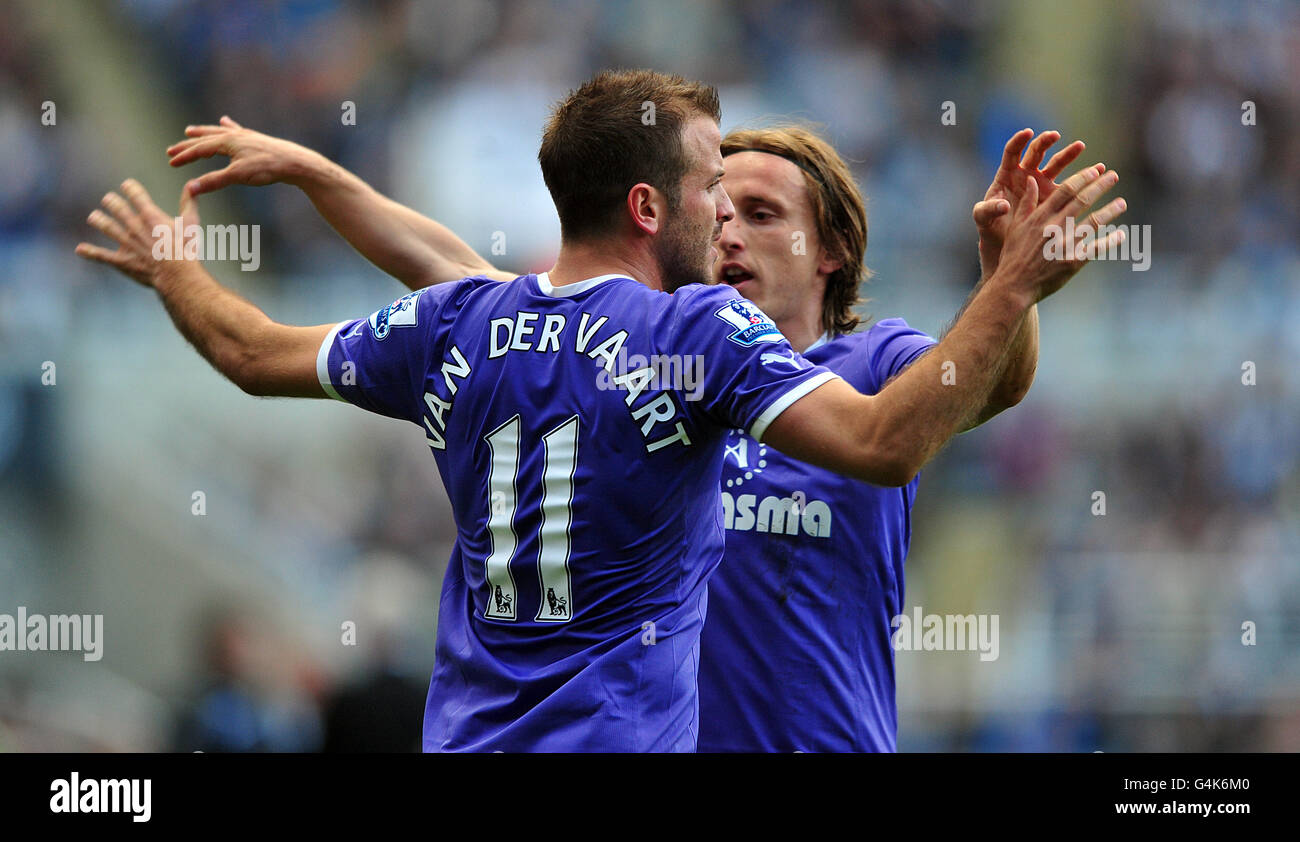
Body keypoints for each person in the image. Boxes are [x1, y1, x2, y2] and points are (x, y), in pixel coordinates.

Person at [79, 69, 1124, 751]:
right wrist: (1013, 284)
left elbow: (981, 381)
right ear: (650, 208)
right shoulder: (692, 343)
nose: (726, 223)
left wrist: (265, 208)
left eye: (759, 210)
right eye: (719, 191)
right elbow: (892, 441)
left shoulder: (861, 357)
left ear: (832, 249)